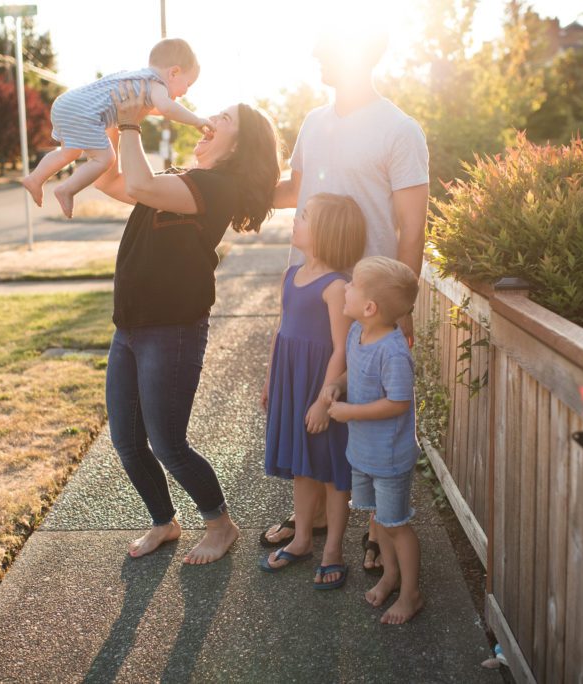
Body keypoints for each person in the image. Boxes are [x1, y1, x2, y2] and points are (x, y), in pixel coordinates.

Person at [94, 79, 280, 564]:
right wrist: (111, 128)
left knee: (168, 444)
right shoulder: (182, 177)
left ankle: (220, 525)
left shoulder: (219, 188)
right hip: (130, 327)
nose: (209, 120)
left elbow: (139, 185)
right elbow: (111, 182)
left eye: (224, 118)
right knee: (127, 440)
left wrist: (132, 123)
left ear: (237, 146)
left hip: (172, 330)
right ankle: (164, 521)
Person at [268, 26, 430, 574]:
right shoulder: (313, 121)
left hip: (368, 306)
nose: (315, 52)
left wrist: (399, 310)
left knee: (368, 420)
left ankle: (378, 527)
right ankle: (311, 518)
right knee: (312, 406)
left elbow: (412, 228)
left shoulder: (400, 130)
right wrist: (224, 188)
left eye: (326, 47)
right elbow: (294, 190)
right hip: (314, 292)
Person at [259, 193, 367, 589]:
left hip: (322, 386)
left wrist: (324, 400)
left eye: (303, 216)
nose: (295, 220)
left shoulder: (336, 286)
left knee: (331, 470)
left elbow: (341, 348)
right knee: (302, 466)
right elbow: (281, 330)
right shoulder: (291, 274)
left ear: (325, 233)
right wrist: (271, 379)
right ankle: (302, 539)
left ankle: (333, 550)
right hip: (291, 381)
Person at [324, 256, 423, 624]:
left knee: (396, 524)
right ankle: (390, 575)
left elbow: (398, 403)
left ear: (369, 307)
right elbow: (355, 371)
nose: (345, 288)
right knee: (379, 520)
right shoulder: (357, 332)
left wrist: (350, 412)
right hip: (363, 451)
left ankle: (411, 594)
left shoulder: (394, 352)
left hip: (390, 457)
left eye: (352, 285)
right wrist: (338, 384)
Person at [22, 38, 213, 219]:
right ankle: (66, 189)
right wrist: (197, 120)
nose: (186, 91)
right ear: (174, 73)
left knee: (68, 153)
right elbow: (167, 108)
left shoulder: (136, 77)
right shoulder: (156, 83)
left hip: (66, 104)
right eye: (188, 84)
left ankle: (35, 178)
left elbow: (156, 109)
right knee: (105, 159)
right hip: (84, 114)